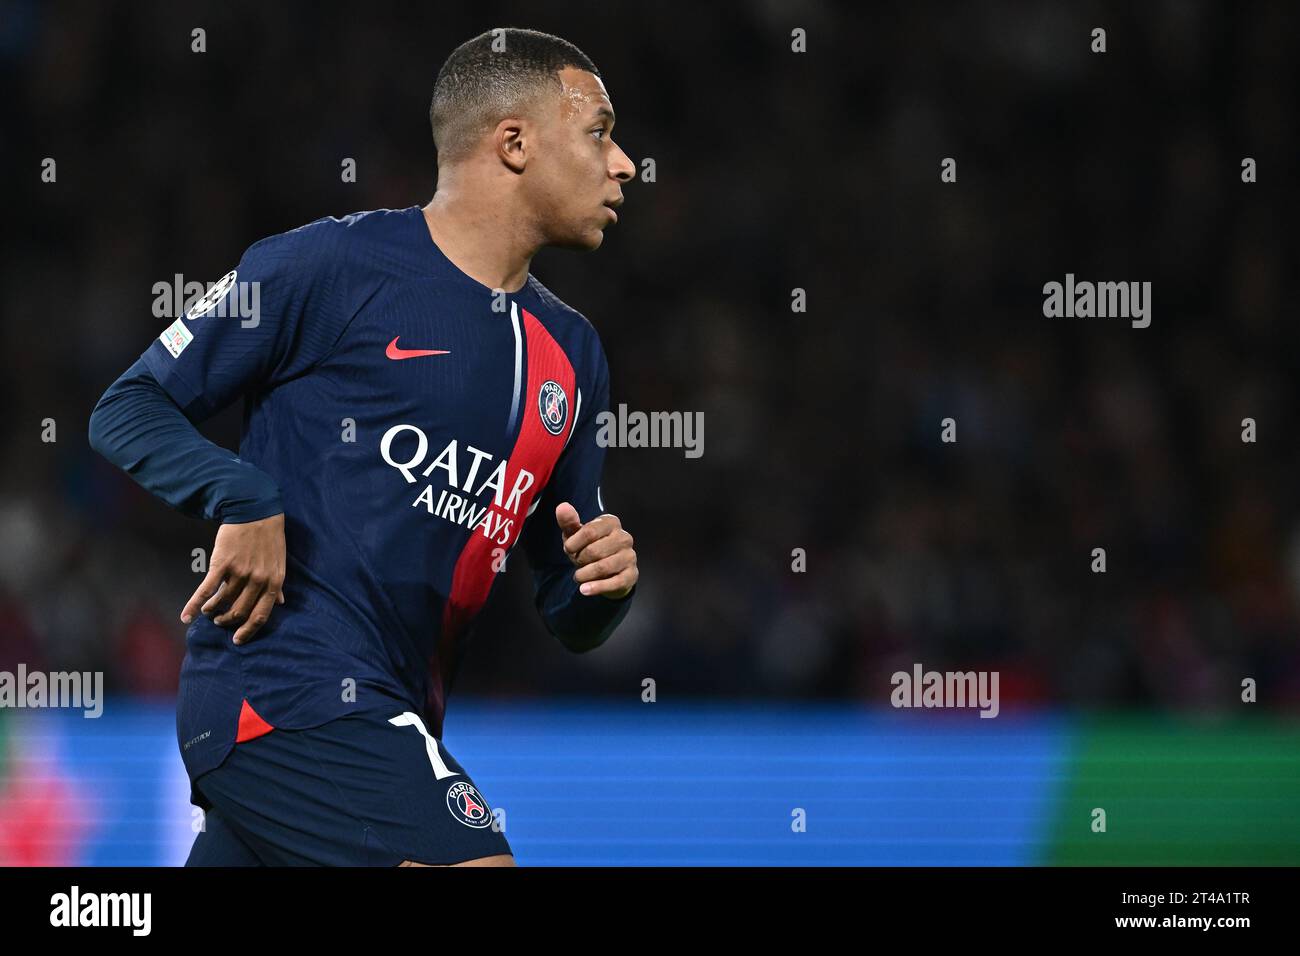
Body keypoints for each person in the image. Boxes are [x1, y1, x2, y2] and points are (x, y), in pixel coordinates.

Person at [88, 27, 638, 866]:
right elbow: (128, 407)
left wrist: (601, 588)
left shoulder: (573, 358)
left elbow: (566, 606)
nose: (624, 162)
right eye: (599, 132)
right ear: (514, 143)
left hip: (387, 710)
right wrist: (243, 494)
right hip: (279, 691)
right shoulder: (326, 268)